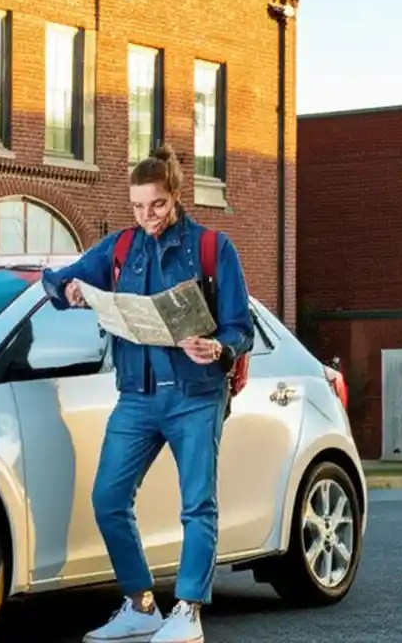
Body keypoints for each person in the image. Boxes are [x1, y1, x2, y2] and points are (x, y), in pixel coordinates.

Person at [40, 144, 253, 643]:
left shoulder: (212, 248)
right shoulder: (120, 248)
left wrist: (217, 347)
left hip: (196, 394)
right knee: (108, 498)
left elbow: (239, 328)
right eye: (137, 207)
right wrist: (68, 291)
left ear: (175, 196)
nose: (147, 216)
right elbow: (58, 280)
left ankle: (188, 611)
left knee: (197, 504)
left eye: (156, 205)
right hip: (136, 396)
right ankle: (140, 605)